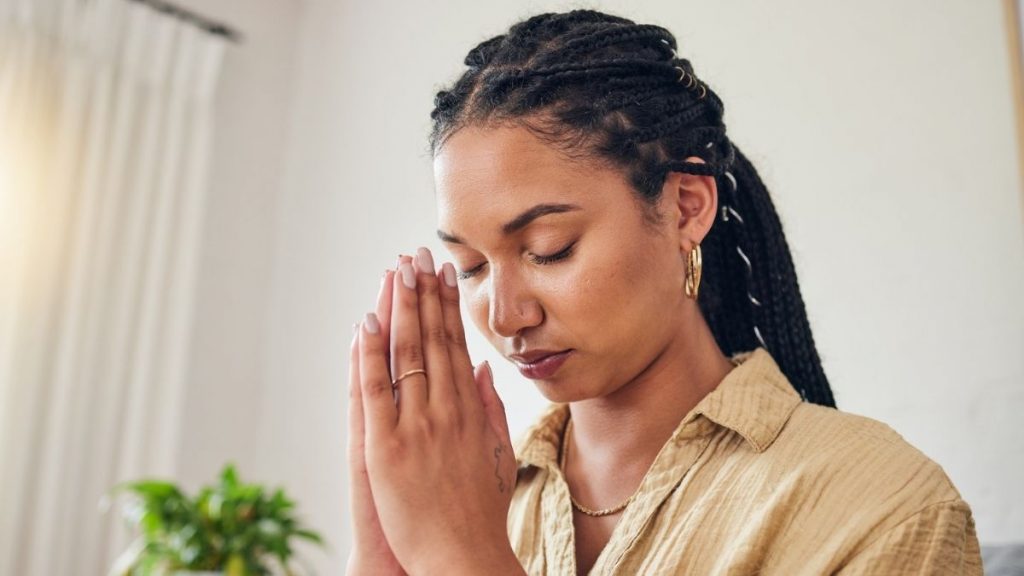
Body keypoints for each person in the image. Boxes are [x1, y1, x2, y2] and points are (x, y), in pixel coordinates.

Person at [345, 9, 983, 575]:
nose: (507, 315)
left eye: (549, 249)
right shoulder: (478, 495)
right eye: (470, 267)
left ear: (685, 207)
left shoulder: (882, 506)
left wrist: (464, 561)